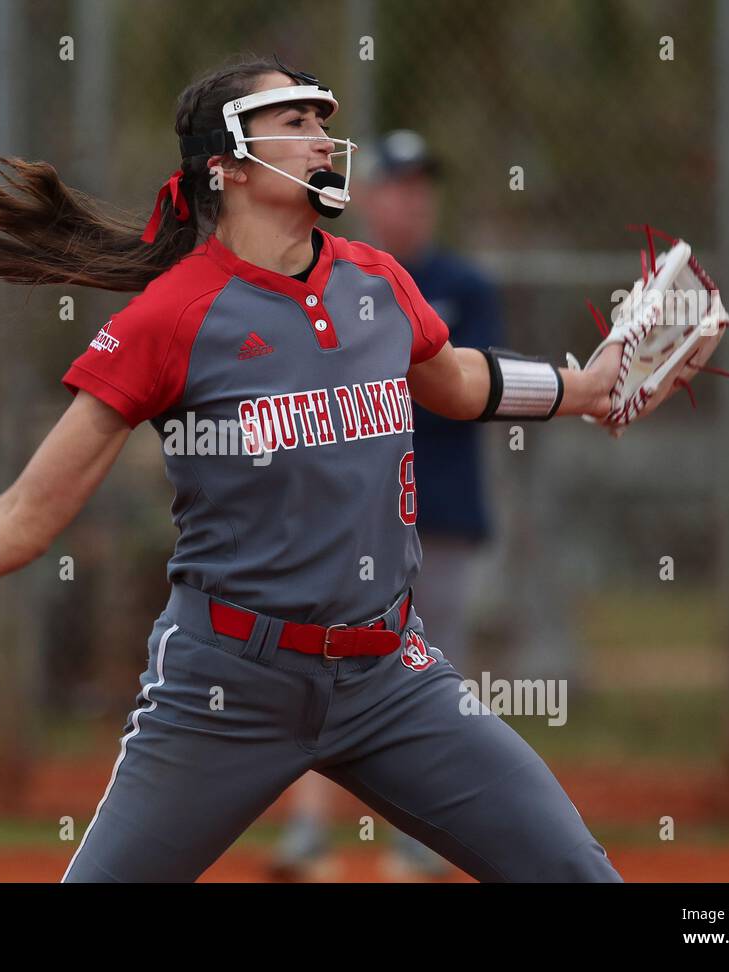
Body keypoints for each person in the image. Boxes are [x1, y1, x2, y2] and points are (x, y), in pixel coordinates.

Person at [0, 54, 627, 883]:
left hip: (390, 672)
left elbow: (458, 381)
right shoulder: (171, 317)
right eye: (295, 122)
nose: (322, 137)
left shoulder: (375, 281)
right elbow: (23, 516)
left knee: (578, 876)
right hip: (227, 685)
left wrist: (582, 390)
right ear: (225, 166)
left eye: (321, 120)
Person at [272, 130, 502, 881]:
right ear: (366, 198)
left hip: (442, 510)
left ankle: (423, 839)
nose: (409, 199)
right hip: (349, 518)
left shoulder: (466, 287)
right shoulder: (330, 282)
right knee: (321, 666)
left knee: (439, 671)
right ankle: (309, 835)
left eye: (420, 187)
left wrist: (374, 388)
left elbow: (467, 394)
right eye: (395, 186)